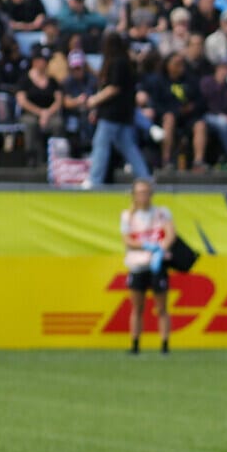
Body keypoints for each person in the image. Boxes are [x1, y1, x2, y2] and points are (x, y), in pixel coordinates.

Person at [84, 33, 151, 189]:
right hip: (124, 113)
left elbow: (113, 87)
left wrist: (94, 100)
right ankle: (145, 178)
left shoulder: (117, 62)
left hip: (112, 113)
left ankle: (94, 180)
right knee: (128, 147)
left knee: (101, 144)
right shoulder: (126, 62)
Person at [121, 177, 174, 356]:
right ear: (134, 195)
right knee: (137, 307)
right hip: (138, 265)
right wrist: (146, 245)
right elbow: (127, 240)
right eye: (139, 192)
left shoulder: (161, 213)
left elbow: (170, 234)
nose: (143, 196)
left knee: (162, 307)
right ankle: (135, 344)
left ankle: (164, 345)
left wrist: (160, 251)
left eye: (145, 192)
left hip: (157, 266)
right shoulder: (128, 216)